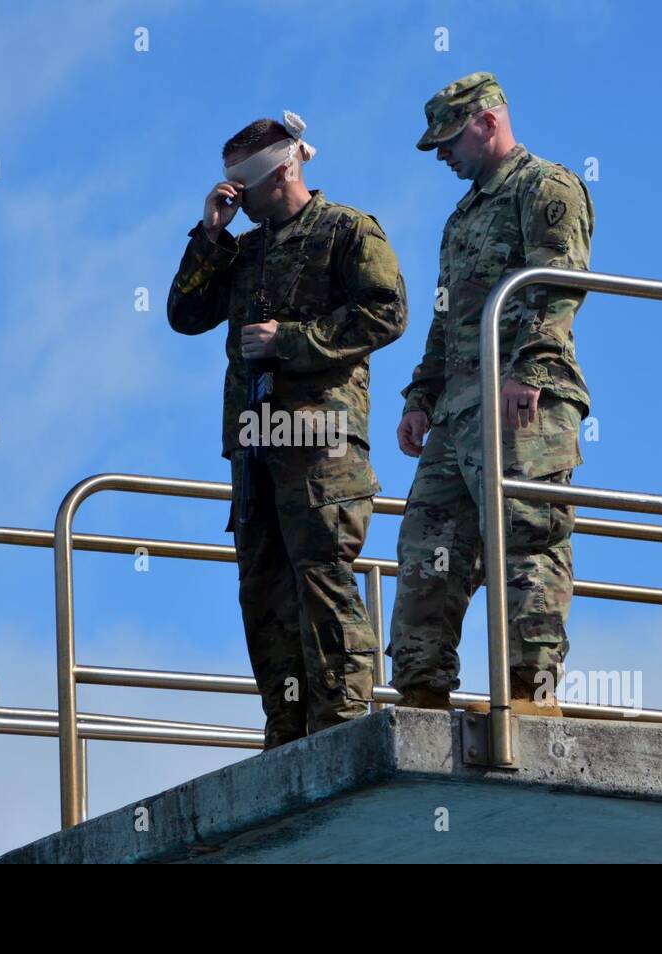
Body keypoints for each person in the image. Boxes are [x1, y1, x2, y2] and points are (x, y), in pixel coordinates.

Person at [167, 112, 407, 747]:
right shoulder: (242, 249)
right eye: (232, 193)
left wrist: (291, 341)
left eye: (249, 190)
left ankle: (340, 724)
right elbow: (184, 314)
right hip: (254, 442)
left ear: (286, 169)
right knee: (263, 589)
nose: (241, 203)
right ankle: (286, 729)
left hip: (321, 438)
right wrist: (209, 234)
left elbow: (386, 313)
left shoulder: (346, 230)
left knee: (322, 576)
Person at [389, 73, 594, 715]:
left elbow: (558, 283)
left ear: (487, 122)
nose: (443, 155)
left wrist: (530, 369)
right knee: (428, 544)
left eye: (449, 139)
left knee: (527, 536)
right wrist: (421, 395)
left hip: (524, 399)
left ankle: (529, 696)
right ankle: (422, 692)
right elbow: (444, 316)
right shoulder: (461, 219)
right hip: (458, 409)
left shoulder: (546, 186)